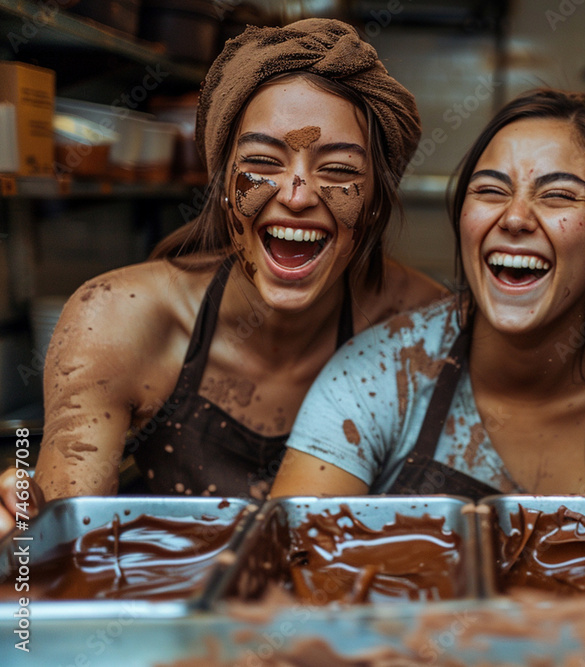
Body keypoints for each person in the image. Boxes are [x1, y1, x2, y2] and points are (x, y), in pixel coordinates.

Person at [0, 19, 447, 533]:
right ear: (222, 184)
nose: (297, 196)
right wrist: (25, 515)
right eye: (261, 162)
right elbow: (65, 541)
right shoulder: (118, 317)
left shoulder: (418, 327)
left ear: (373, 202)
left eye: (340, 170)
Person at [269, 89, 585, 499]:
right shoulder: (377, 375)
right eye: (491, 191)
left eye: (557, 196)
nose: (515, 218)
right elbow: (299, 549)